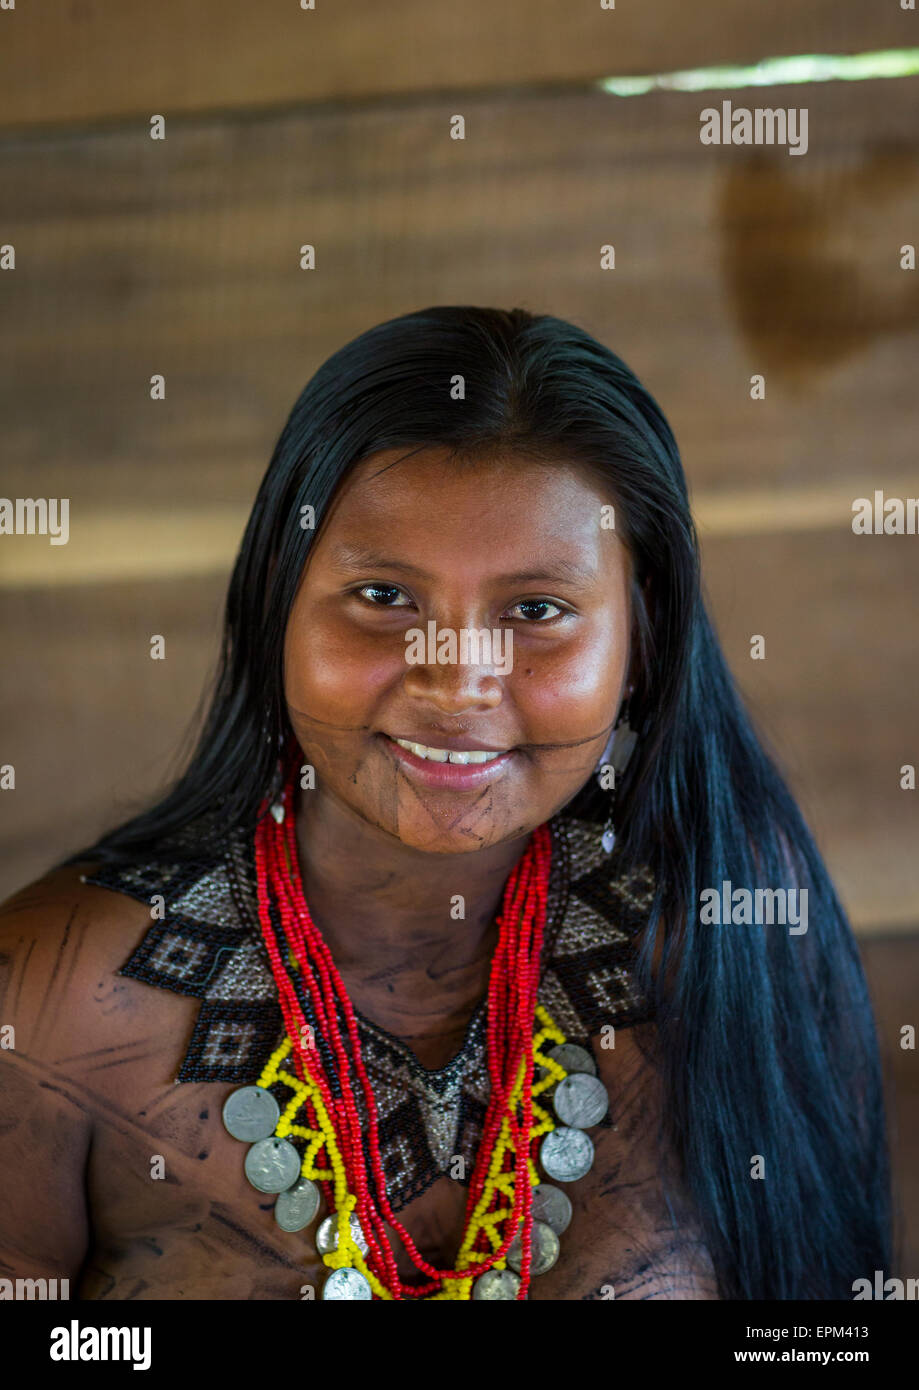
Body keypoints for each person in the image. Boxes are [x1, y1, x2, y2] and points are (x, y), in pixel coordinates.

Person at [0, 306, 891, 1300]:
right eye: (385, 597)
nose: (457, 678)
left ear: (642, 637)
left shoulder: (728, 938)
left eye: (536, 611)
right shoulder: (58, 998)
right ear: (275, 608)